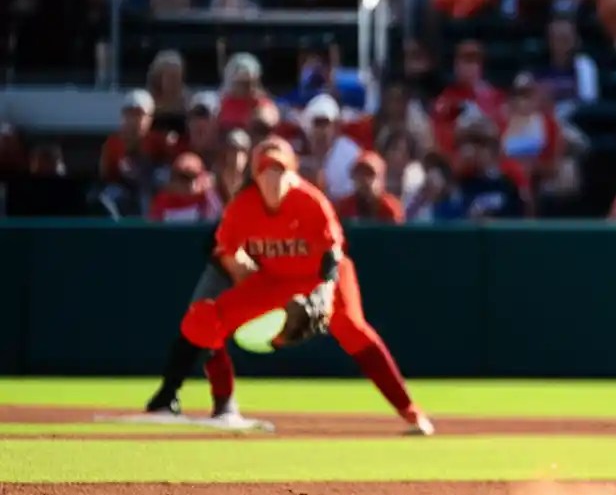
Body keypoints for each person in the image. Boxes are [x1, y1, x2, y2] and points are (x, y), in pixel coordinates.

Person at [142, 137, 434, 435]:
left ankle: (411, 412)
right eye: (267, 169)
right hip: (274, 279)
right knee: (202, 320)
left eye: (280, 169)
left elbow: (331, 255)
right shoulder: (243, 206)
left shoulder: (310, 201)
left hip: (321, 277)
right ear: (255, 175)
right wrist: (248, 291)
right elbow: (226, 253)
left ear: (293, 172)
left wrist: (324, 293)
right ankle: (225, 406)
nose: (273, 177)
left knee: (353, 329)